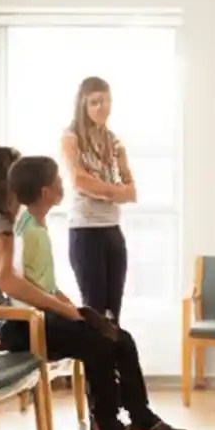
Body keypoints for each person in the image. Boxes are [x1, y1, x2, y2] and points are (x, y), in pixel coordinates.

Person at [0, 146, 187, 430]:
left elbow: (35, 281)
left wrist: (72, 308)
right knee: (97, 341)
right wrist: (64, 310)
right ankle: (108, 429)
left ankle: (141, 418)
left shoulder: (13, 224)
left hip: (18, 318)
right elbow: (7, 281)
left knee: (118, 337)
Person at [61, 76, 135, 325]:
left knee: (114, 312)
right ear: (83, 105)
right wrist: (115, 191)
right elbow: (79, 180)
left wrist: (103, 190)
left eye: (107, 101)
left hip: (112, 229)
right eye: (95, 102)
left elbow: (132, 191)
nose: (103, 107)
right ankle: (98, 364)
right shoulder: (71, 138)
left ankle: (112, 363)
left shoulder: (114, 141)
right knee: (95, 311)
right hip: (85, 231)